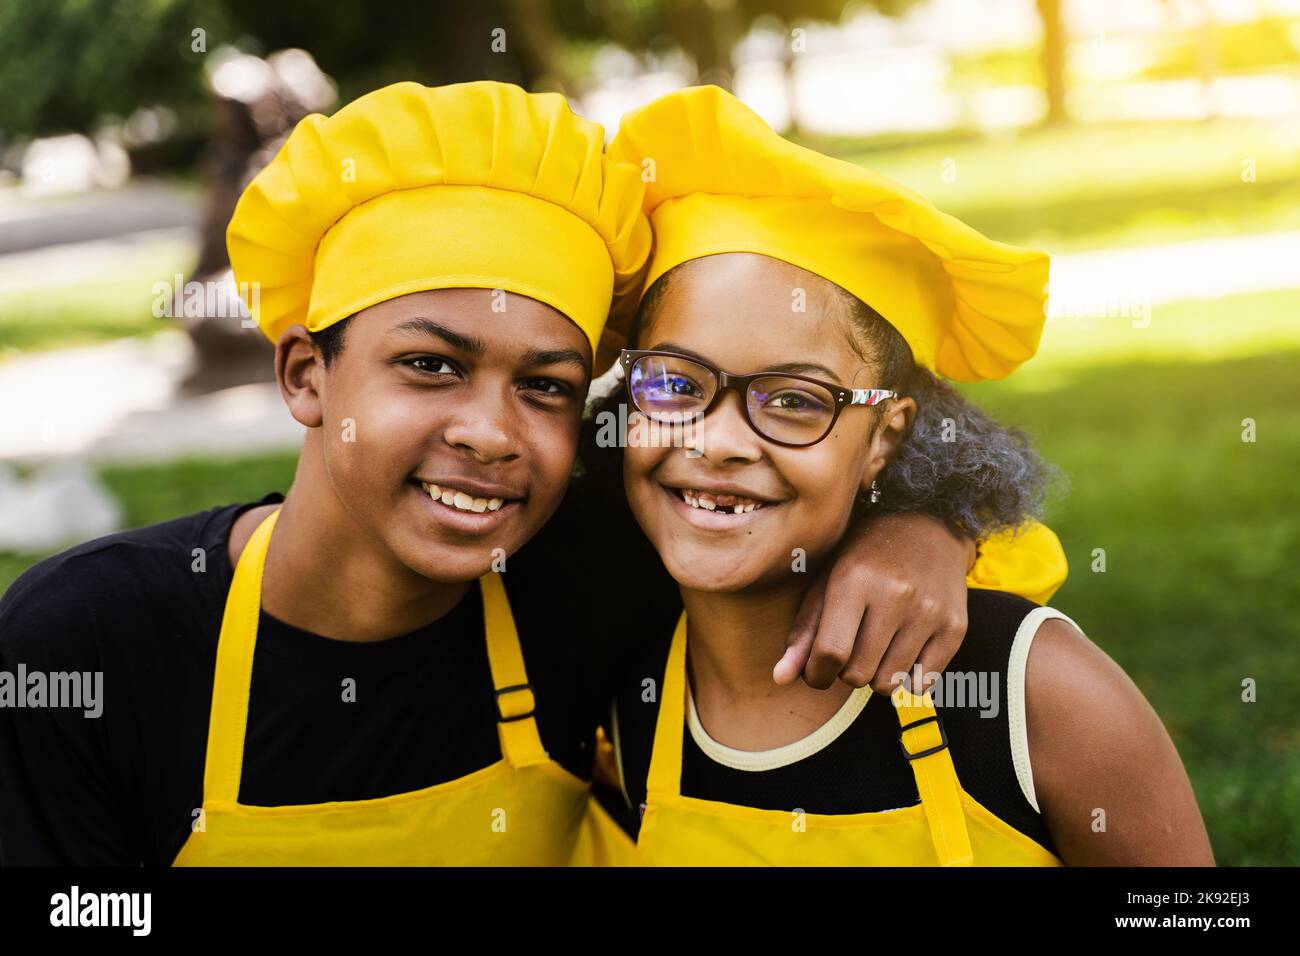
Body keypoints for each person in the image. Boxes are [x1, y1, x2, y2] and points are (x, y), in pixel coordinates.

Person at [0, 81, 1061, 867]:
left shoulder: (585, 579)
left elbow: (781, 497)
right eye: (431, 365)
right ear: (306, 373)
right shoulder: (91, 638)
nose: (490, 431)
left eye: (547, 386)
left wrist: (920, 527)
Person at [593, 86, 1214, 866]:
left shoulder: (1031, 693)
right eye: (678, 384)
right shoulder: (633, 696)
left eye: (792, 400)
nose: (717, 442)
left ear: (885, 438)